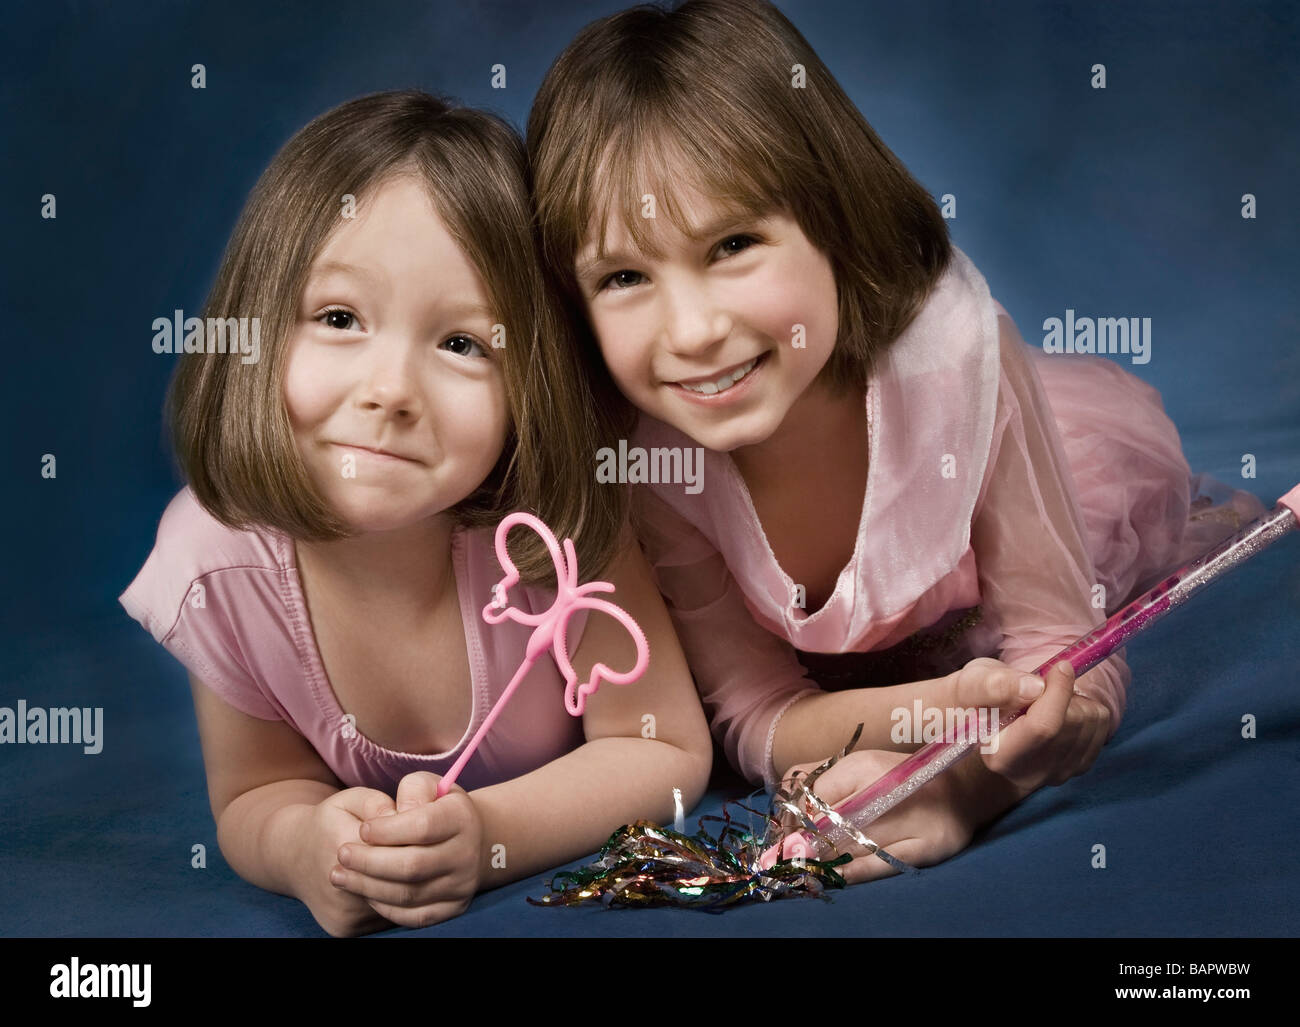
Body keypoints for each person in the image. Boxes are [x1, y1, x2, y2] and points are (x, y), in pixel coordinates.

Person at [525, 0, 1265, 881]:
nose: (690, 330)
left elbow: (1064, 658)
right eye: (623, 276)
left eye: (733, 243)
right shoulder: (649, 452)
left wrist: (967, 792)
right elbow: (761, 713)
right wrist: (937, 709)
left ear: (833, 219)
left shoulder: (957, 368)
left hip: (965, 569)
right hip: (905, 690)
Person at [120, 90, 712, 935]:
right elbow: (256, 790)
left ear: (530, 382)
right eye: (338, 318)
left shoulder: (557, 529)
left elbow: (666, 751)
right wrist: (306, 850)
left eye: (462, 343)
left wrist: (494, 839)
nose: (391, 391)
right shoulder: (218, 562)